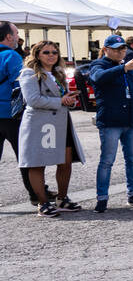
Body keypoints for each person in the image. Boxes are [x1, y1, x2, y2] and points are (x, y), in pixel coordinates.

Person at [18, 41, 84, 216]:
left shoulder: (59, 72)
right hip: (40, 124)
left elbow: (63, 97)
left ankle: (62, 199)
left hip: (61, 123)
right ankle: (43, 203)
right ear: (37, 54)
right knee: (37, 163)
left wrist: (70, 100)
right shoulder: (29, 73)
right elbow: (32, 100)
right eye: (46, 52)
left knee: (65, 161)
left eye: (54, 52)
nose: (51, 55)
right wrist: (60, 101)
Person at [87, 34, 133, 212]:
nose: (121, 52)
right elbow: (98, 78)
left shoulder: (127, 66)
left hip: (130, 121)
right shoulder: (98, 65)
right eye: (116, 49)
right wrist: (123, 69)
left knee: (132, 160)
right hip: (110, 121)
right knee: (107, 161)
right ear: (106, 50)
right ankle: (102, 198)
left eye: (122, 49)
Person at [0, 21, 45, 204]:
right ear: (9, 36)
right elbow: (19, 87)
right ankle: (36, 195)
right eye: (17, 33)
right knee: (25, 156)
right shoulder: (11, 56)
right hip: (10, 115)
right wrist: (22, 114)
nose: (18, 37)